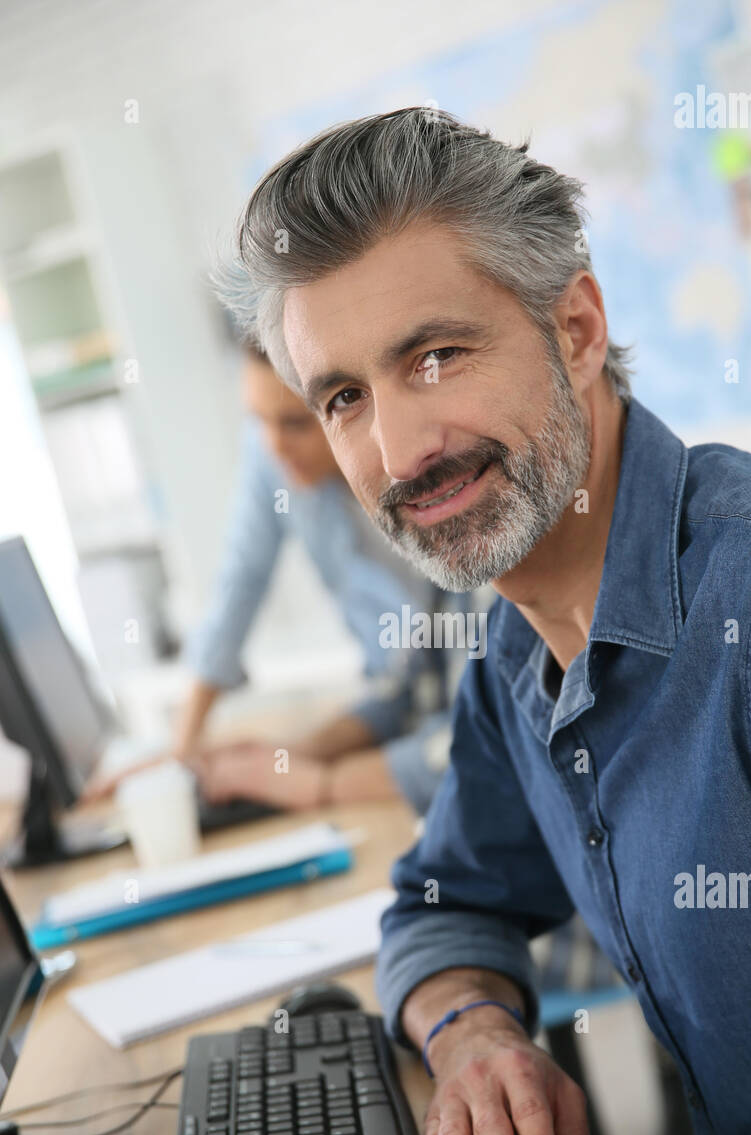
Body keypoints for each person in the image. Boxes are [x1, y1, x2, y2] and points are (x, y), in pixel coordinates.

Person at [223, 106, 751, 1135]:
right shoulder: (514, 637)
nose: (398, 448)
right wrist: (471, 1032)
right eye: (343, 398)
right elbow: (438, 901)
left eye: (435, 356)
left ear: (573, 327)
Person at [88, 340, 479, 815]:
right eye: (257, 421)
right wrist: (190, 753)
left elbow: (477, 738)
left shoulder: (461, 511)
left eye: (294, 423)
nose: (273, 447)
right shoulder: (274, 448)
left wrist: (323, 783)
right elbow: (240, 581)